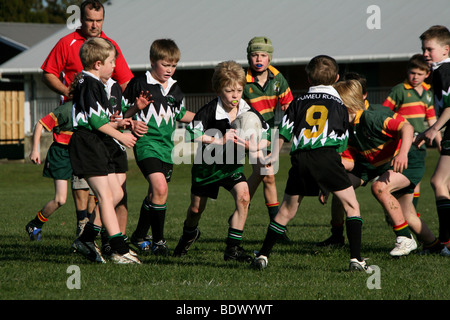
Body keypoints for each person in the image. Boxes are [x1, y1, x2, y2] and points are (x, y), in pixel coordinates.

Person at [252, 55, 371, 272]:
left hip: (301, 159)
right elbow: (340, 142)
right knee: (352, 205)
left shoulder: (298, 102)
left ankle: (262, 255)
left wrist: (273, 156)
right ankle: (356, 259)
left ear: (308, 79)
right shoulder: (339, 106)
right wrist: (329, 176)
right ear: (336, 78)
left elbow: (284, 131)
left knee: (286, 211)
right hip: (327, 157)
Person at [40, 0, 134, 237]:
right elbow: (48, 73)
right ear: (81, 19)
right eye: (90, 20)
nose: (94, 25)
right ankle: (85, 229)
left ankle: (97, 233)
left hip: (104, 121)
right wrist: (67, 92)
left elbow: (124, 81)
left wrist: (127, 111)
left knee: (106, 185)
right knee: (83, 182)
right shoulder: (67, 42)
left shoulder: (108, 46)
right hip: (77, 122)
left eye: (99, 20)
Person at [172, 60, 270, 261]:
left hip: (231, 166)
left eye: (239, 90)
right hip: (207, 166)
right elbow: (192, 134)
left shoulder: (247, 111)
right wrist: (219, 140)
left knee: (244, 198)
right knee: (196, 209)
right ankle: (189, 234)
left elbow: (266, 134)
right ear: (218, 90)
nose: (235, 95)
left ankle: (232, 249)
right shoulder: (209, 110)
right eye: (229, 90)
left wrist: (255, 146)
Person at [333, 80, 442, 256]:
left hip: (409, 160)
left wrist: (403, 154)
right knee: (407, 216)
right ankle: (436, 247)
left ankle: (405, 238)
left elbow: (406, 127)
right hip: (383, 165)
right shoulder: (348, 125)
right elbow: (351, 162)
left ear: (346, 105)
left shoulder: (371, 117)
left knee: (380, 187)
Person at [69, 37, 141, 264]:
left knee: (114, 194)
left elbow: (101, 119)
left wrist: (119, 124)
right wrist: (121, 136)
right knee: (106, 196)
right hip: (87, 143)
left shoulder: (95, 84)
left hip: (96, 141)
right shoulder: (88, 83)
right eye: (111, 62)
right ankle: (119, 248)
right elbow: (96, 120)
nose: (114, 66)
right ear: (98, 64)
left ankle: (87, 238)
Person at [123, 39, 195, 255]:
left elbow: (181, 115)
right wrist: (133, 116)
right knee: (160, 188)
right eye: (165, 65)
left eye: (173, 66)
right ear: (152, 61)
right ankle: (159, 241)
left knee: (156, 194)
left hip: (166, 148)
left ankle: (138, 236)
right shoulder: (138, 84)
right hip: (146, 144)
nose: (169, 70)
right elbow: (122, 115)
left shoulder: (175, 88)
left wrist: (210, 118)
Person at [243, 37, 294, 227]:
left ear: (269, 58)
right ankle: (275, 225)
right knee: (267, 173)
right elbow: (232, 105)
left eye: (263, 55)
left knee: (265, 176)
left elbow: (289, 108)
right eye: (255, 54)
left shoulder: (278, 78)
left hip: (270, 133)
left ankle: (242, 201)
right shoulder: (242, 79)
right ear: (249, 57)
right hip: (251, 134)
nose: (258, 59)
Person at [383, 54, 441, 212]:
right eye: (412, 73)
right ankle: (393, 210)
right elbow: (385, 113)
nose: (415, 77)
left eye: (420, 74)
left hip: (419, 144)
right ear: (407, 71)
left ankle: (411, 213)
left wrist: (440, 144)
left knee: (416, 180)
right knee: (397, 175)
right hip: (402, 144)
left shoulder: (428, 93)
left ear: (427, 74)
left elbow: (432, 120)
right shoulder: (399, 90)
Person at [415, 25, 450, 256]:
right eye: (423, 49)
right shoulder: (439, 70)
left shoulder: (444, 71)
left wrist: (434, 129)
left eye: (430, 49)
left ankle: (445, 242)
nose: (425, 54)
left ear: (446, 49)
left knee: (438, 181)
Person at [25, 100, 74, 241]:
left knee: (95, 194)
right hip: (61, 155)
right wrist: (35, 150)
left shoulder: (91, 106)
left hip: (80, 154)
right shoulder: (66, 109)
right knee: (60, 199)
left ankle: (89, 234)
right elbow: (41, 123)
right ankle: (35, 224)